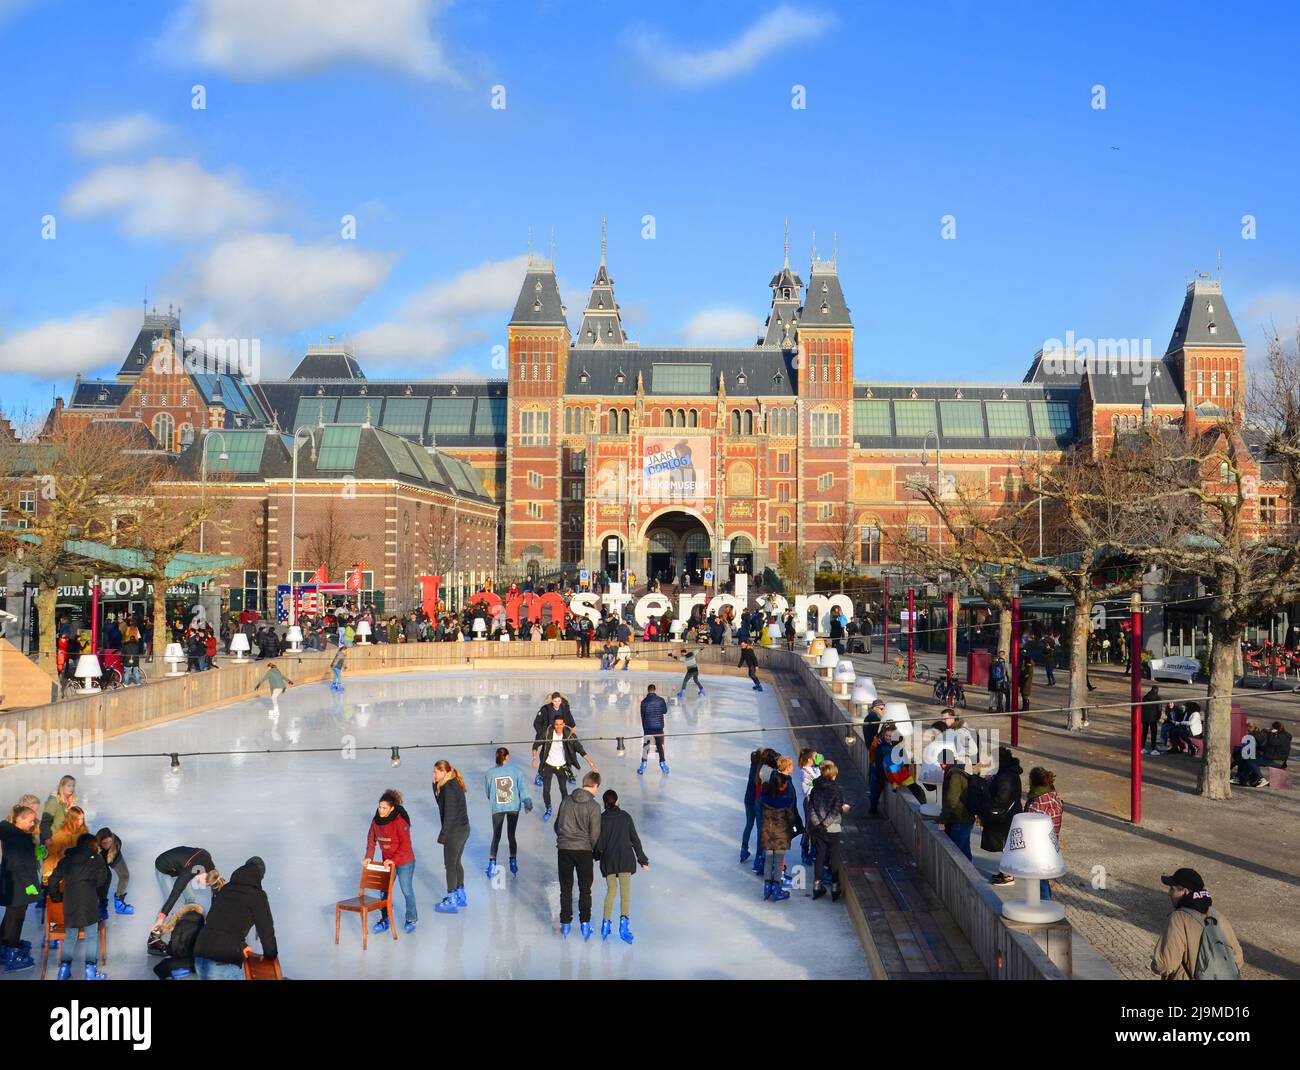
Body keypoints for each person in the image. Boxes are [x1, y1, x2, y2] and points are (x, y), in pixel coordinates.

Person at [192, 856, 278, 980]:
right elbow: (266, 930)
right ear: (259, 876)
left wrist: (241, 946)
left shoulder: (224, 890)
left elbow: (217, 922)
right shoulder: (257, 896)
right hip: (222, 961)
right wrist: (270, 956)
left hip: (200, 957)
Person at [1151, 867, 1243, 980]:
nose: (1169, 893)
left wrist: (1155, 963)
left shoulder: (1178, 918)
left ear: (1185, 891)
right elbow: (1238, 959)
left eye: (1172, 888)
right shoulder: (1218, 916)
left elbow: (1165, 964)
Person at [47, 832, 109, 980]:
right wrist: (92, 887)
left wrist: (56, 897)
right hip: (89, 900)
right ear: (92, 845)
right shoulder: (97, 859)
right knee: (92, 936)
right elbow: (102, 879)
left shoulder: (65, 860)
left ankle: (64, 971)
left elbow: (52, 880)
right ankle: (91, 972)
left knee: (70, 937)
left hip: (70, 900)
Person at [593, 789, 649, 943]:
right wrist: (642, 859)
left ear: (604, 803)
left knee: (611, 891)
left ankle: (605, 923)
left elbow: (600, 843)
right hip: (625, 858)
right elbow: (635, 840)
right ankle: (623, 927)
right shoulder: (625, 817)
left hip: (609, 860)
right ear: (617, 801)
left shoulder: (601, 819)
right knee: (625, 893)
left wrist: (596, 856)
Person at [555, 770, 603, 940]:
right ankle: (585, 924)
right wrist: (594, 851)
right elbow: (595, 833)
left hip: (564, 849)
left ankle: (566, 924)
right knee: (585, 889)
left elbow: (557, 825)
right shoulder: (594, 806)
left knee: (565, 889)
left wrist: (564, 838)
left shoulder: (566, 800)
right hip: (583, 851)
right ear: (595, 785)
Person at [365, 789, 417, 933]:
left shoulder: (400, 821)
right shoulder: (376, 820)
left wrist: (393, 860)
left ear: (392, 808)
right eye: (379, 807)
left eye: (384, 808)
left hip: (404, 861)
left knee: (406, 890)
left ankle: (411, 918)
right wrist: (369, 856)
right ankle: (385, 918)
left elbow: (406, 845)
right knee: (384, 892)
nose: (381, 810)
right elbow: (371, 838)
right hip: (387, 862)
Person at [531, 714, 597, 821]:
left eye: (561, 724)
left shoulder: (569, 735)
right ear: (553, 724)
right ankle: (548, 807)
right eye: (556, 724)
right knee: (546, 790)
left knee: (563, 789)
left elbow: (580, 749)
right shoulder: (547, 733)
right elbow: (535, 745)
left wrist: (590, 762)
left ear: (564, 724)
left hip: (562, 766)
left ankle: (565, 809)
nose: (558, 727)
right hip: (548, 765)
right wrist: (534, 758)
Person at [0, 806, 40, 972]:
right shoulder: (15, 837)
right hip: (18, 885)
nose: (32, 824)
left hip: (17, 884)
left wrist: (37, 853)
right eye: (30, 820)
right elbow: (17, 863)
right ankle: (12, 951)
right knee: (16, 919)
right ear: (20, 819)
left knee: (11, 917)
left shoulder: (16, 834)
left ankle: (4, 946)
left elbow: (24, 858)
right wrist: (28, 884)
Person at [484, 748, 533, 878]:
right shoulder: (516, 772)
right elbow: (522, 789)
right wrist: (527, 803)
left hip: (498, 808)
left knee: (496, 836)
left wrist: (496, 801)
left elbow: (488, 793)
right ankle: (513, 861)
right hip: (513, 807)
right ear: (507, 757)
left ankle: (492, 864)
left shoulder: (490, 773)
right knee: (511, 835)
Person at [152, 846, 223, 935]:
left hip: (181, 865)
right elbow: (175, 894)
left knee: (190, 898)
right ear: (204, 875)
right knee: (170, 899)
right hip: (163, 865)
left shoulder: (209, 865)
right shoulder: (188, 873)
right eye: (202, 883)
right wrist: (161, 918)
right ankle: (156, 931)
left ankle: (186, 925)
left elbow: (215, 879)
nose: (202, 886)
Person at [807, 761, 848, 902]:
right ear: (832, 776)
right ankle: (835, 886)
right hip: (833, 828)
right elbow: (835, 810)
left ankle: (817, 885)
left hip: (818, 828)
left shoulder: (815, 790)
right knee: (834, 856)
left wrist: (818, 824)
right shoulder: (837, 791)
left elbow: (811, 808)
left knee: (820, 855)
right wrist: (826, 823)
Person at [432, 760, 470, 914]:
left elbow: (449, 815)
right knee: (456, 863)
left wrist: (443, 836)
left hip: (454, 832)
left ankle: (451, 899)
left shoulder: (448, 788)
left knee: (450, 866)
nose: (434, 774)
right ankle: (461, 895)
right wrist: (434, 785)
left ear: (443, 772)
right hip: (464, 829)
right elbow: (440, 803)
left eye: (436, 772)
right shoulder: (452, 782)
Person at [983, 746, 1024, 887]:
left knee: (1005, 844)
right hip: (1010, 813)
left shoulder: (1006, 776)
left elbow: (1002, 798)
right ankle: (1005, 871)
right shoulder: (1010, 772)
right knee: (1005, 844)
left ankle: (1008, 875)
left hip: (1006, 815)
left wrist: (989, 807)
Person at [759, 771, 801, 902]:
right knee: (778, 863)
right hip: (781, 836)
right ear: (781, 786)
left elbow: (761, 815)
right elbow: (791, 818)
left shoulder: (764, 799)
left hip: (767, 834)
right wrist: (794, 829)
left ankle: (767, 887)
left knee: (768, 861)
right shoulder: (787, 801)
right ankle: (777, 888)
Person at [1024, 767, 1063, 899]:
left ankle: (1044, 904)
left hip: (1038, 846)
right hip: (1052, 842)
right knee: (1042, 878)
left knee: (1039, 880)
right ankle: (1046, 900)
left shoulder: (1038, 802)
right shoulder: (1053, 795)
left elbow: (1029, 826)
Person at [740, 748, 778, 863]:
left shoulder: (754, 766)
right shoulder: (762, 770)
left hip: (748, 799)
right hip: (757, 800)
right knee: (760, 828)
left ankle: (744, 848)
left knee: (749, 825)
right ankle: (759, 854)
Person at [153, 904, 205, 980]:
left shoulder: (178, 925)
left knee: (159, 968)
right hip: (196, 963)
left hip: (180, 960)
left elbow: (173, 949)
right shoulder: (202, 926)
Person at [937, 758, 975, 861]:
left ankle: (965, 876)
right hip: (965, 819)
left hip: (960, 819)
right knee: (964, 852)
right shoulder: (957, 771)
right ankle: (970, 875)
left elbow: (952, 801)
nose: (939, 765)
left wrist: (942, 820)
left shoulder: (955, 775)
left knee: (955, 854)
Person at [1238, 721, 1292, 787]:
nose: (1271, 729)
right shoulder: (1283, 735)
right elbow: (1270, 747)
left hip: (1277, 760)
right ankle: (1241, 778)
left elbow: (1272, 742)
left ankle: (1261, 779)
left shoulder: (1281, 736)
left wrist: (1269, 733)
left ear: (1275, 729)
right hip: (1275, 758)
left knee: (1251, 761)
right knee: (1252, 760)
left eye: (1272, 728)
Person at [94, 827, 133, 917]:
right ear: (99, 842)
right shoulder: (94, 847)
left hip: (112, 854)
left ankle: (119, 902)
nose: (107, 845)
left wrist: (111, 852)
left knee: (124, 875)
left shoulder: (116, 844)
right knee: (106, 876)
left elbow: (123, 873)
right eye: (104, 843)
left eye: (109, 842)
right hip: (99, 859)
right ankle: (101, 906)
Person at [638, 683, 669, 775]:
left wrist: (645, 728)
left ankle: (643, 765)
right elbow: (665, 711)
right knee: (659, 746)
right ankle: (663, 764)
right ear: (655, 690)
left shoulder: (643, 702)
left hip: (648, 727)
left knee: (646, 746)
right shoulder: (661, 700)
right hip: (659, 727)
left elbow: (642, 715)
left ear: (648, 690)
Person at [797, 748, 821, 864]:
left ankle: (814, 850)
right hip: (809, 800)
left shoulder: (813, 768)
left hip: (816, 800)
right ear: (810, 759)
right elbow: (818, 779)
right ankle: (805, 848)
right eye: (816, 757)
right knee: (809, 826)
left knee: (815, 826)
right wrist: (821, 766)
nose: (819, 758)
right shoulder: (805, 770)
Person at [40, 775, 77, 846]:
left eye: (73, 786)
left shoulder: (72, 800)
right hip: (54, 837)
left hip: (67, 837)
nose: (71, 788)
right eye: (69, 786)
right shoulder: (54, 800)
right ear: (62, 786)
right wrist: (47, 838)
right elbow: (45, 821)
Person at [1140, 687, 1164, 754]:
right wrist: (1158, 718)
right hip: (1153, 719)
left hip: (1145, 718)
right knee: (1153, 733)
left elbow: (1142, 708)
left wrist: (1141, 717)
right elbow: (1159, 709)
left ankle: (1142, 747)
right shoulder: (1158, 698)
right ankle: (1153, 748)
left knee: (1144, 733)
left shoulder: (1145, 697)